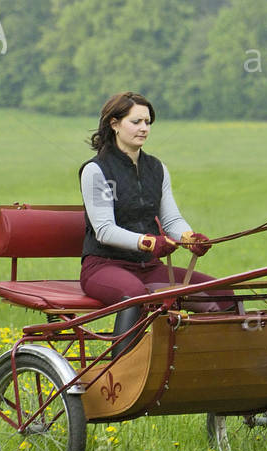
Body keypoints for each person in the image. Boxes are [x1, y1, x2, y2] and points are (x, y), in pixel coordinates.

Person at [80, 91, 233, 313]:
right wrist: (148, 242)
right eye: (136, 122)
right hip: (103, 267)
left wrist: (188, 237)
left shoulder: (157, 168)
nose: (144, 128)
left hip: (149, 267)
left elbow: (170, 220)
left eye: (148, 122)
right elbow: (104, 230)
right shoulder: (96, 170)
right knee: (135, 296)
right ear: (114, 124)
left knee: (224, 293)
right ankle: (127, 349)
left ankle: (211, 348)